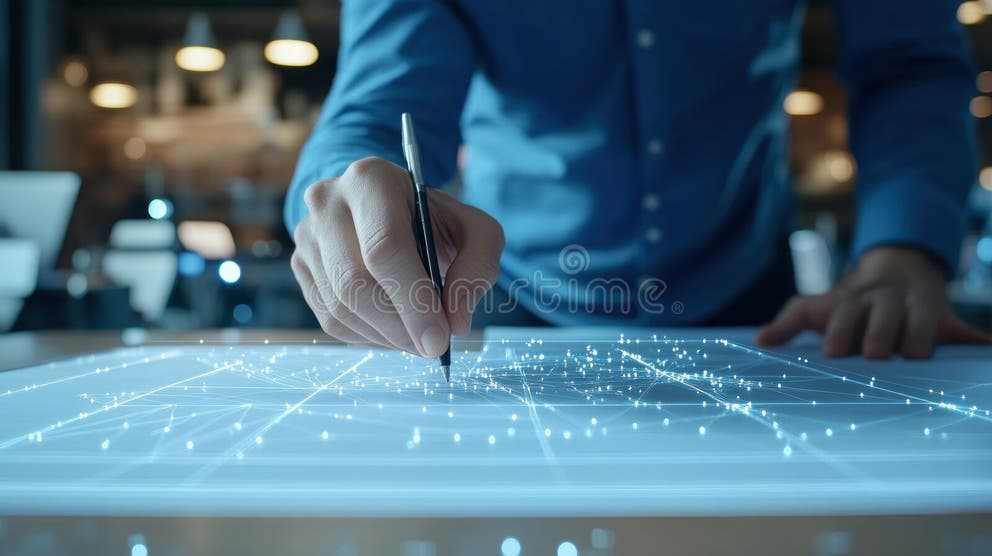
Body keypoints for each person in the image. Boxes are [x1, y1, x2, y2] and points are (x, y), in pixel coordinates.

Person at [286, 0, 991, 361]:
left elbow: (909, 66)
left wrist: (906, 249)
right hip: (502, 297)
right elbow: (380, 108)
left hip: (756, 297)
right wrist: (344, 190)